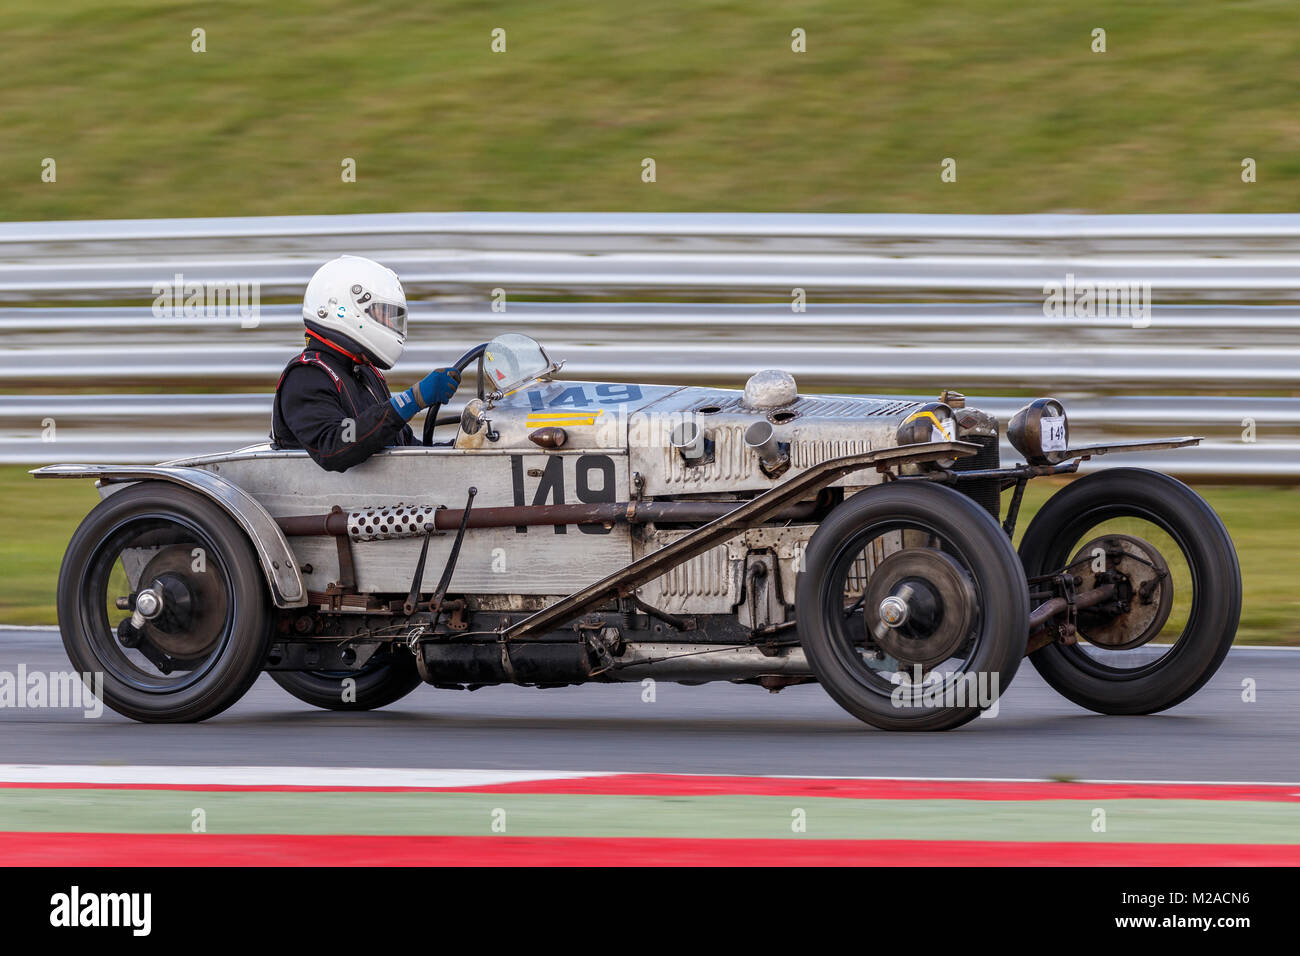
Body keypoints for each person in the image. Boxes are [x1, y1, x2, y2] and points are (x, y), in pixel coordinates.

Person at [271, 255, 460, 471]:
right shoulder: (306, 376)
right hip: (323, 500)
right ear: (342, 308)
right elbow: (335, 445)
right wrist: (411, 400)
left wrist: (462, 448)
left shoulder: (364, 372)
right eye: (383, 314)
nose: (390, 323)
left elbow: (401, 445)